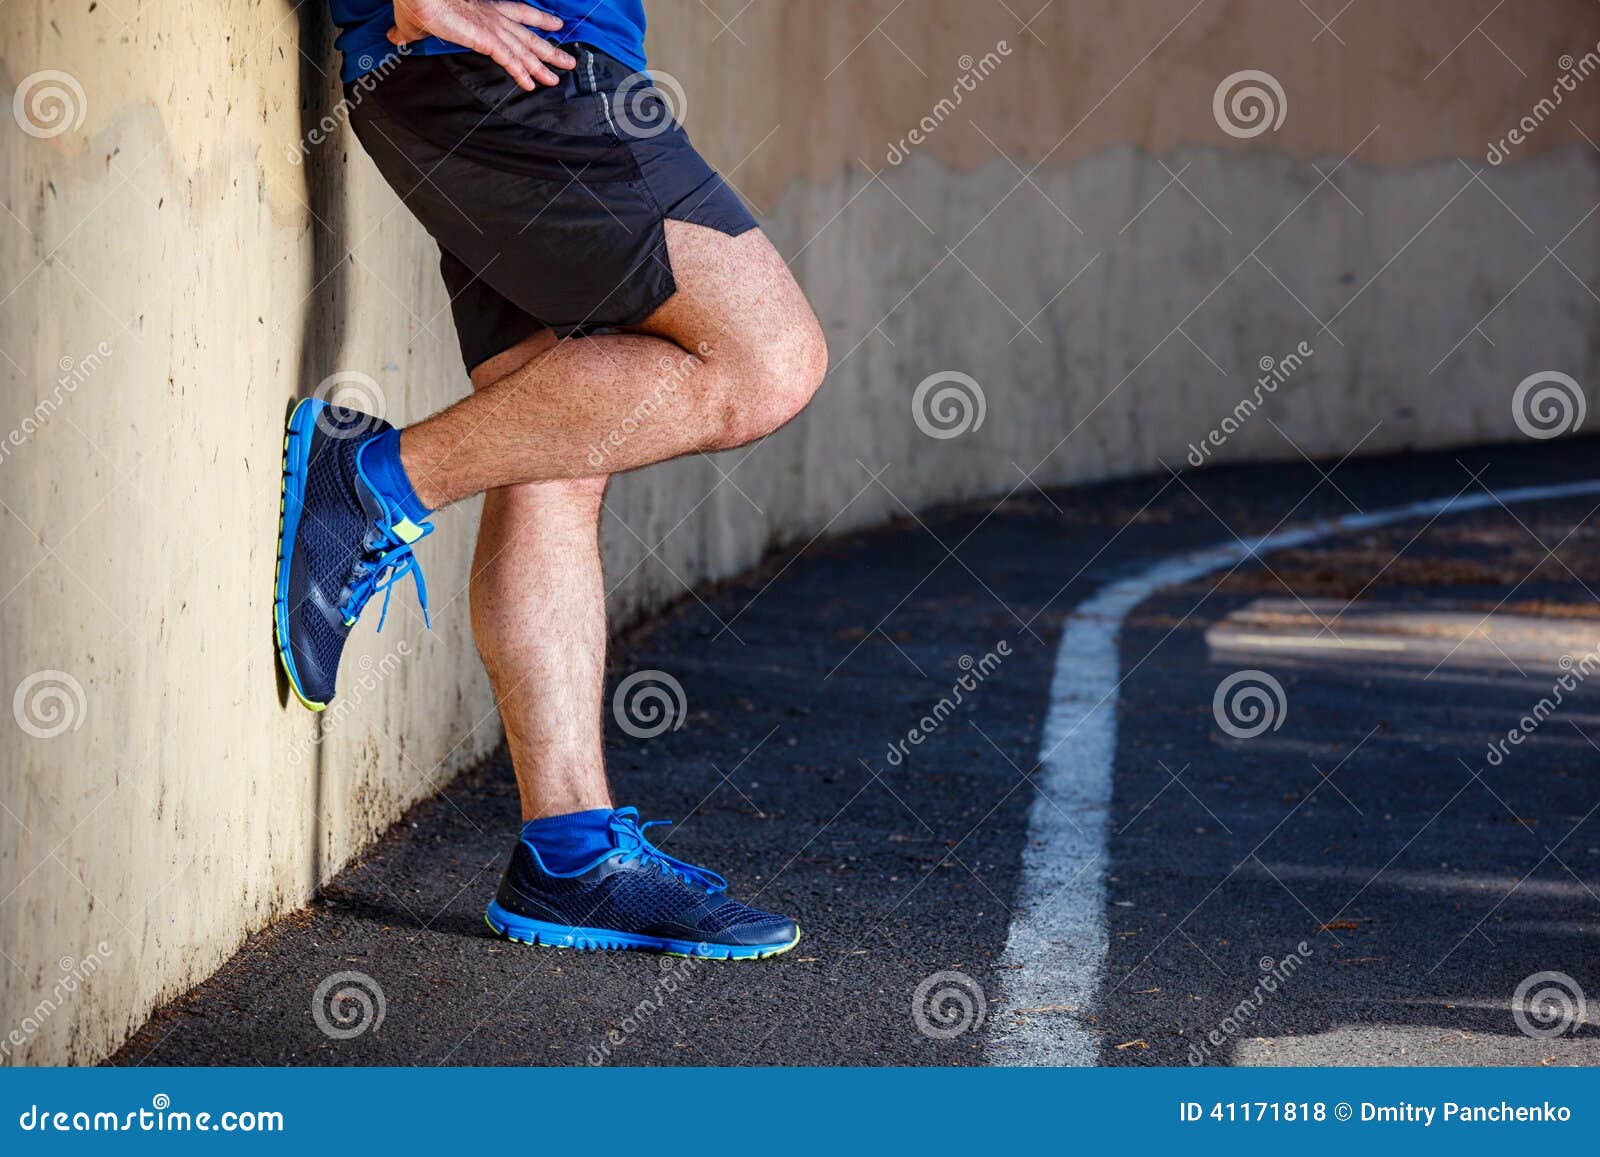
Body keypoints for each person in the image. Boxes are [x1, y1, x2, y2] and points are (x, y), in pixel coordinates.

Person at [274, 0, 827, 959]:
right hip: (518, 74)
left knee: (555, 454)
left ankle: (568, 856)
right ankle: (378, 482)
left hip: (495, 78)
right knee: (766, 362)